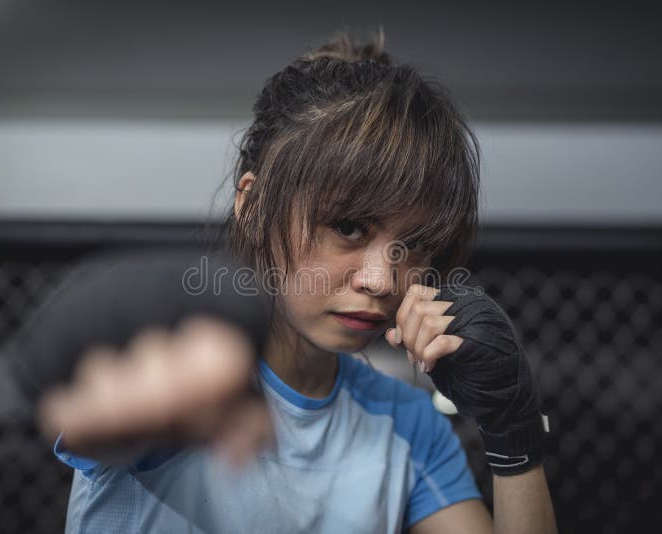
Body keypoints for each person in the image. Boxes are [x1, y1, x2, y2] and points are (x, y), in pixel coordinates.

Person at [40, 29, 558, 533]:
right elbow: (99, 418)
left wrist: (513, 430)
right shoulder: (193, 374)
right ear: (253, 205)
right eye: (348, 228)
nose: (381, 280)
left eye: (416, 243)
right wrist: (124, 387)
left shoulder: (407, 422)